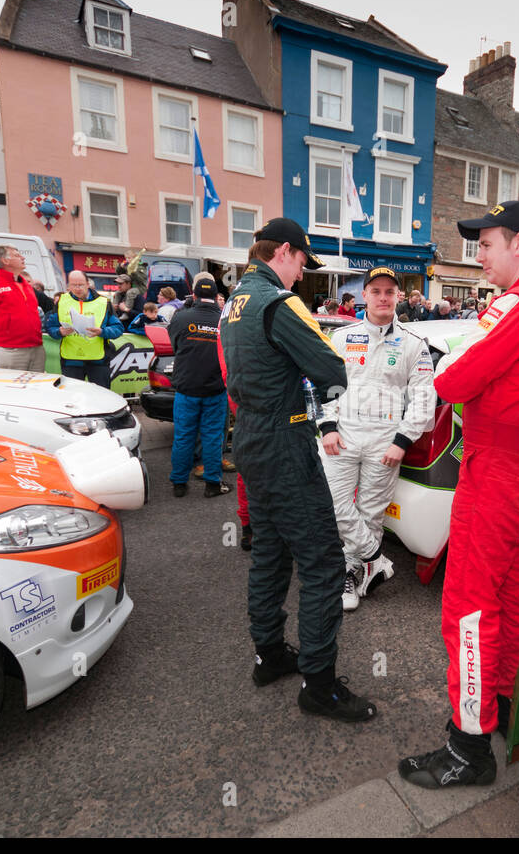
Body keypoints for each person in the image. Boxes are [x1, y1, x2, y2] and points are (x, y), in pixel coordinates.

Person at [398, 200, 519, 789]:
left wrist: (455, 363)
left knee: (468, 603)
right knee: (511, 587)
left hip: (498, 463)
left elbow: (453, 379)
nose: (478, 254)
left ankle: (467, 743)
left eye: (486, 243)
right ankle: (504, 702)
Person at [220, 216, 376, 722]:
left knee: (269, 551)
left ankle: (268, 655)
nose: (300, 274)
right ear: (283, 251)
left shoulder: (234, 302)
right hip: (284, 441)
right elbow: (331, 370)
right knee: (323, 563)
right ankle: (320, 685)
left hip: (249, 436)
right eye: (301, 263)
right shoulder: (279, 302)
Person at [319, 265, 436, 610]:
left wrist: (402, 440)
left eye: (389, 292)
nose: (383, 298)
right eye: (376, 291)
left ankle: (351, 573)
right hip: (344, 432)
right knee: (334, 504)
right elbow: (324, 384)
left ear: (398, 296)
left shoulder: (414, 343)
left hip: (386, 437)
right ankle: (374, 557)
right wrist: (326, 426)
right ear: (365, 296)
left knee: (370, 513)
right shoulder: (342, 337)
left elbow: (424, 397)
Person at [168, 273, 229, 497]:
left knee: (184, 436)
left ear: (193, 294)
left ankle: (179, 484)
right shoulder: (225, 320)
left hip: (186, 388)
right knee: (213, 437)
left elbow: (175, 345)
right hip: (215, 388)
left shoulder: (181, 317)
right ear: (216, 296)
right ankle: (212, 484)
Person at [0, 245, 46, 372]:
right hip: (10, 351)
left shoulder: (27, 285)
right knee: (11, 389)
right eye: (17, 255)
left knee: (35, 388)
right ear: (5, 260)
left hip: (36, 348)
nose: (23, 257)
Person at [43, 270, 120, 388]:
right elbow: (50, 327)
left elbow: (118, 328)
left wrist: (102, 332)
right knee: (72, 398)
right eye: (74, 285)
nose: (78, 288)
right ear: (68, 285)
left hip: (98, 361)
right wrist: (59, 332)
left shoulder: (104, 302)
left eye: (81, 285)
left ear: (88, 284)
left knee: (100, 398)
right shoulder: (62, 301)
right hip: (71, 361)